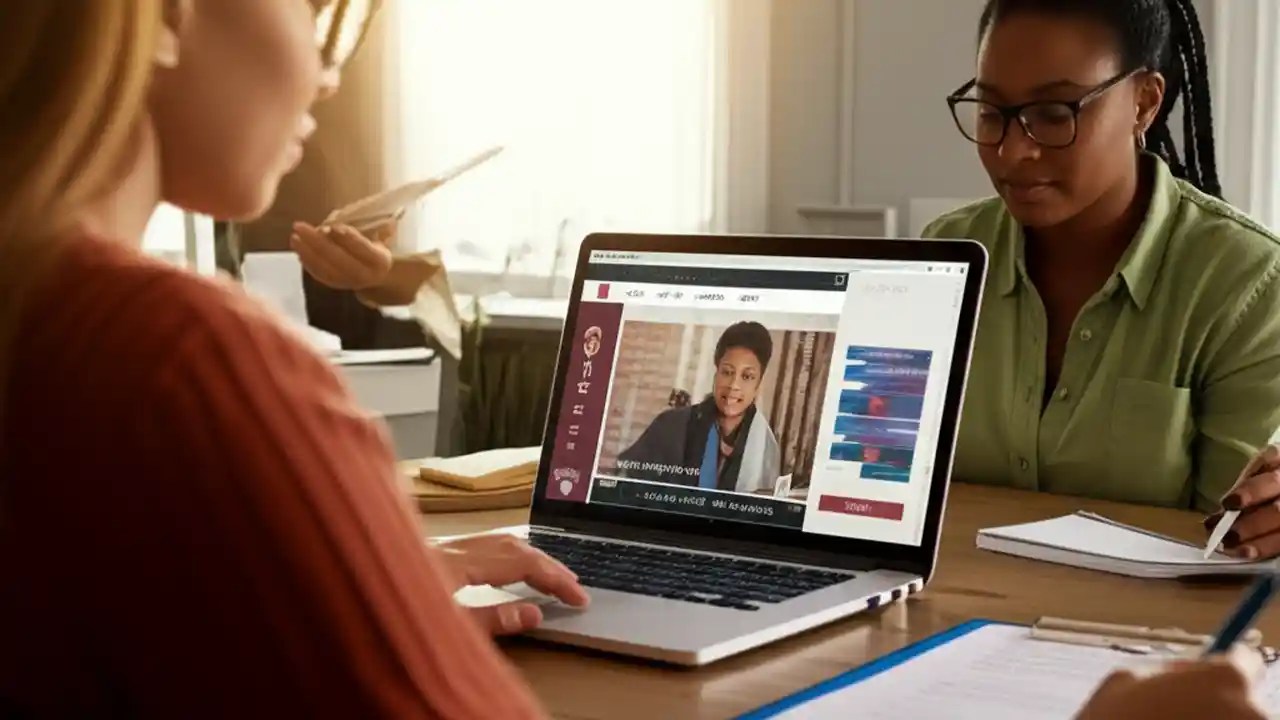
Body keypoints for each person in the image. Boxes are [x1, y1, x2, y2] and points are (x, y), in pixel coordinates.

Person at [0, 2, 1266, 717]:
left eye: (1052, 111)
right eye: (316, 4)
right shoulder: (186, 365)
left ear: (1141, 102)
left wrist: (364, 558)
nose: (333, 58)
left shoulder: (66, 331)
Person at [0, 2, 586, 716]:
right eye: (316, 12)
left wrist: (345, 595)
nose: (328, 76)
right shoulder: (182, 360)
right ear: (163, 17)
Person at [923, 0, 1280, 514]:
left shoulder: (1246, 284)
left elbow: (1222, 546)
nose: (1013, 151)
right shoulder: (948, 254)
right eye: (991, 112)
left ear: (1144, 102)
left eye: (1054, 113)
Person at [617, 322, 781, 494]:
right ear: (716, 373)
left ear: (759, 384)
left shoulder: (766, 448)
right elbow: (624, 478)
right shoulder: (671, 425)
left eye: (747, 376)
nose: (734, 385)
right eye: (727, 372)